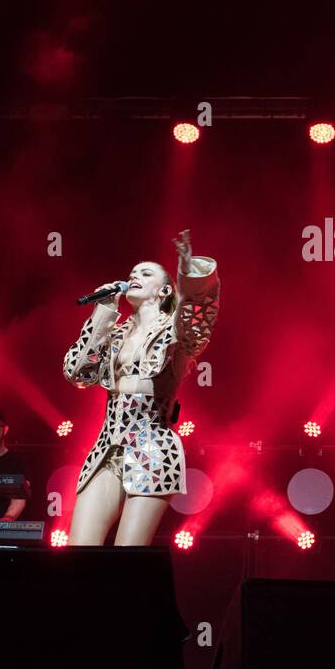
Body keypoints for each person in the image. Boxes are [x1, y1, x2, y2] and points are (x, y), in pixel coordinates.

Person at [63, 229, 220, 546]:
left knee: (127, 560)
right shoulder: (116, 335)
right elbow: (76, 371)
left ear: (163, 290)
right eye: (132, 273)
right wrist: (103, 310)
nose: (134, 276)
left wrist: (189, 273)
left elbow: (197, 317)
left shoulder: (174, 333)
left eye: (144, 273)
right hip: (106, 450)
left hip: (153, 449)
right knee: (78, 553)